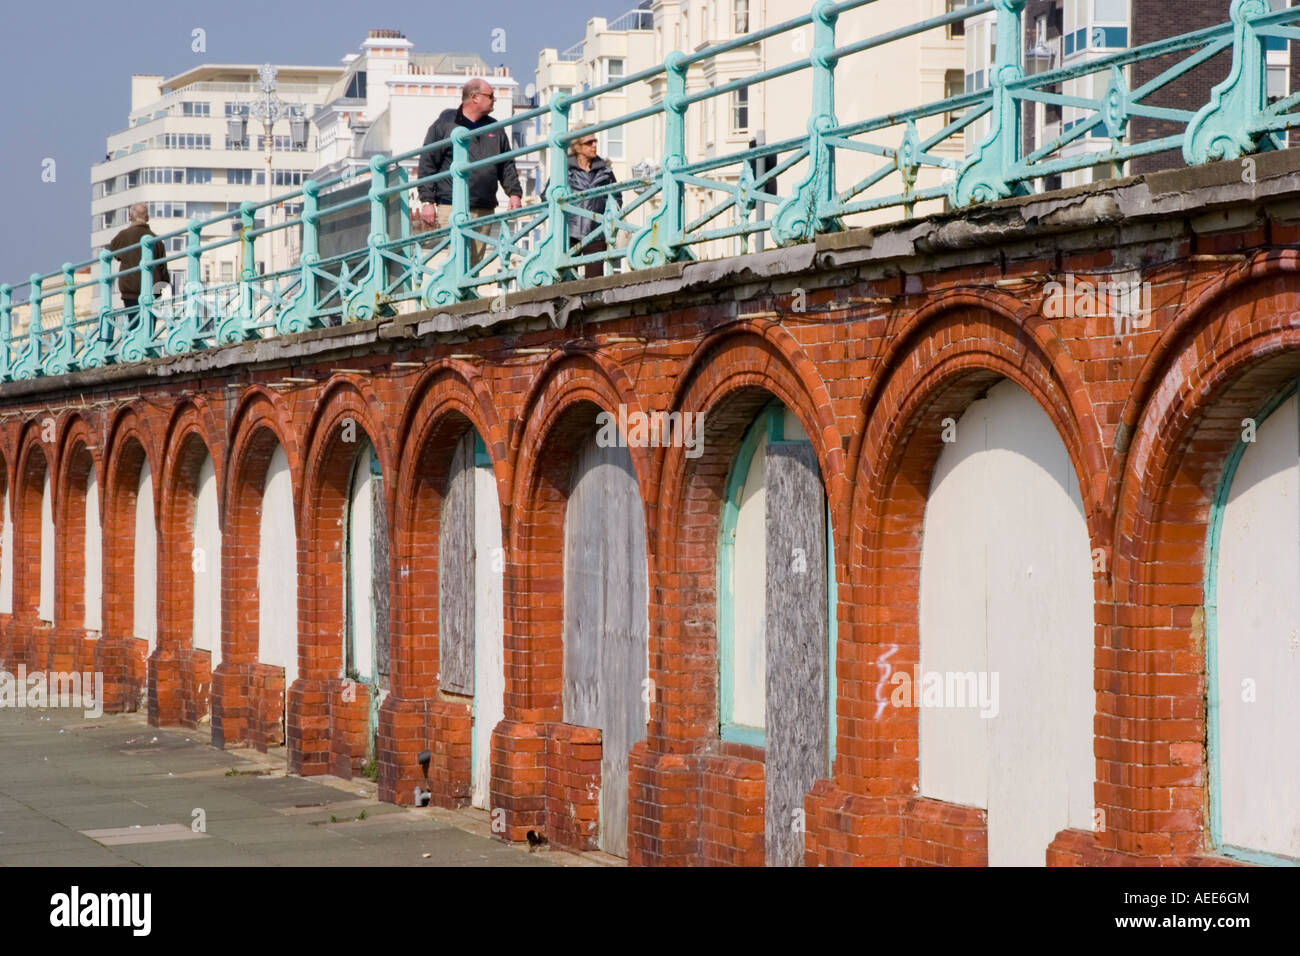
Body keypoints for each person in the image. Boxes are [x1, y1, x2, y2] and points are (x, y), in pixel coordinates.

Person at [416, 77, 523, 270]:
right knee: (457, 259)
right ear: (474, 97)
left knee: (475, 261)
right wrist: (427, 202)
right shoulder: (444, 125)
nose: (494, 100)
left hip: (483, 205)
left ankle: (468, 297)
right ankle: (452, 299)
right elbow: (427, 163)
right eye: (490, 96)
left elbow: (506, 164)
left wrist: (514, 194)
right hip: (451, 204)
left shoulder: (495, 128)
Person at [542, 127, 621, 280]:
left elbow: (616, 196)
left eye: (595, 141)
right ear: (577, 147)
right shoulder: (564, 170)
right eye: (588, 143)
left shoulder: (605, 170)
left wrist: (610, 217)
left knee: (595, 280)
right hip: (570, 232)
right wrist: (559, 222)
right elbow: (547, 197)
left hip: (596, 231)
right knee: (567, 281)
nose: (594, 145)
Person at [107, 203, 167, 311]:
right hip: (154, 290)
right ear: (147, 218)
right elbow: (164, 270)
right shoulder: (156, 240)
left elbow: (112, 253)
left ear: (130, 216)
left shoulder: (123, 236)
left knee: (134, 324)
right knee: (150, 324)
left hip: (131, 291)